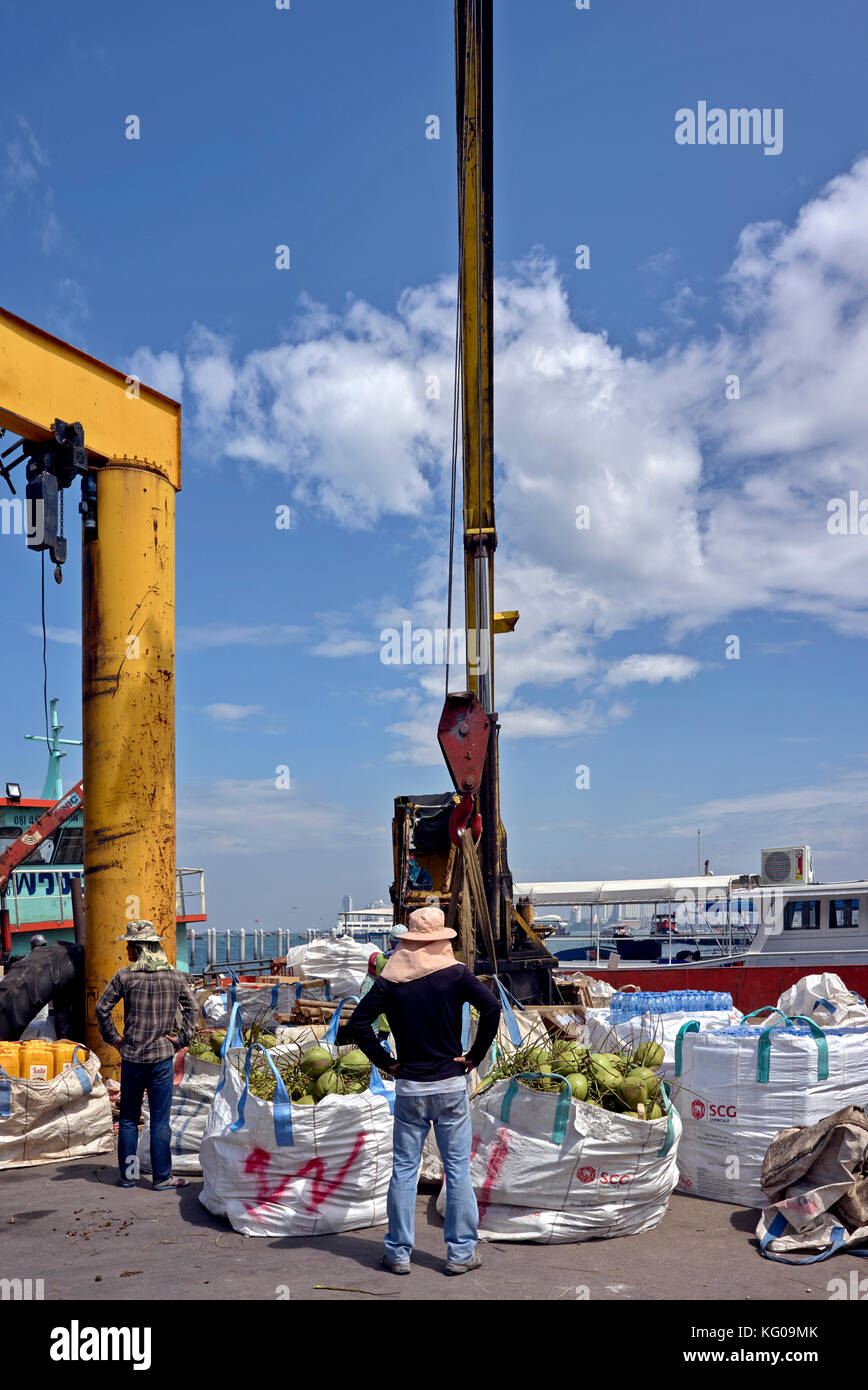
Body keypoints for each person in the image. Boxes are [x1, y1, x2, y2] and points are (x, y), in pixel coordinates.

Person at [346, 905, 501, 1277]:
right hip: (450, 1084)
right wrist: (474, 1056)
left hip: (411, 1087)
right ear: (441, 939)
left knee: (403, 1171)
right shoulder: (456, 975)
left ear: (408, 940)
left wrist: (386, 1062)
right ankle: (460, 1254)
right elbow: (492, 1008)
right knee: (457, 1171)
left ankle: (398, 1254)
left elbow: (358, 1023)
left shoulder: (390, 979)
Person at [95, 919, 198, 1191]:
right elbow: (193, 1009)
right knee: (160, 1119)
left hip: (132, 1059)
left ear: (139, 948)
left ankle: (128, 1176)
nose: (127, 951)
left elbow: (101, 1009)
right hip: (161, 1059)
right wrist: (181, 1039)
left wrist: (114, 1039)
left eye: (129, 946)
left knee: (128, 1118)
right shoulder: (175, 977)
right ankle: (163, 1178)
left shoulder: (125, 976)